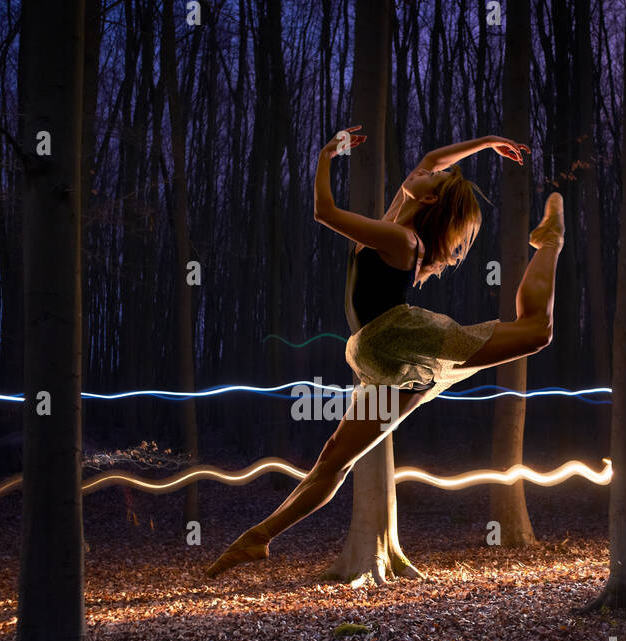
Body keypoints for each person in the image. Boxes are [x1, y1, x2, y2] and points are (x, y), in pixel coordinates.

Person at [204, 127, 564, 578]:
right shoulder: (398, 217)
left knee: (536, 331)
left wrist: (324, 156)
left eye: (432, 179)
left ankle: (551, 240)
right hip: (383, 355)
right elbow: (433, 158)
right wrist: (488, 142)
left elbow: (323, 211)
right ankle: (259, 537)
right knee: (334, 458)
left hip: (399, 341)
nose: (424, 172)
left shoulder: (402, 240)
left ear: (429, 199)